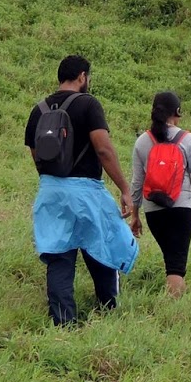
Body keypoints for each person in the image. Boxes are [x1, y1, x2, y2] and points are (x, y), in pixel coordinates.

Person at [24, 55, 139, 325]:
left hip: (50, 190)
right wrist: (124, 188)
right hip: (86, 191)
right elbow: (103, 148)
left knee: (59, 257)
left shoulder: (38, 109)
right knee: (101, 247)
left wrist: (55, 181)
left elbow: (35, 153)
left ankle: (63, 323)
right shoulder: (88, 104)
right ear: (82, 76)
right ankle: (108, 310)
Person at [130, 91, 191, 299]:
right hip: (182, 208)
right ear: (177, 113)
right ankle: (174, 314)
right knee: (176, 264)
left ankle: (177, 303)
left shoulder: (142, 142)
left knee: (172, 259)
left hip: (153, 210)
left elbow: (136, 183)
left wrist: (135, 214)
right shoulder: (186, 139)